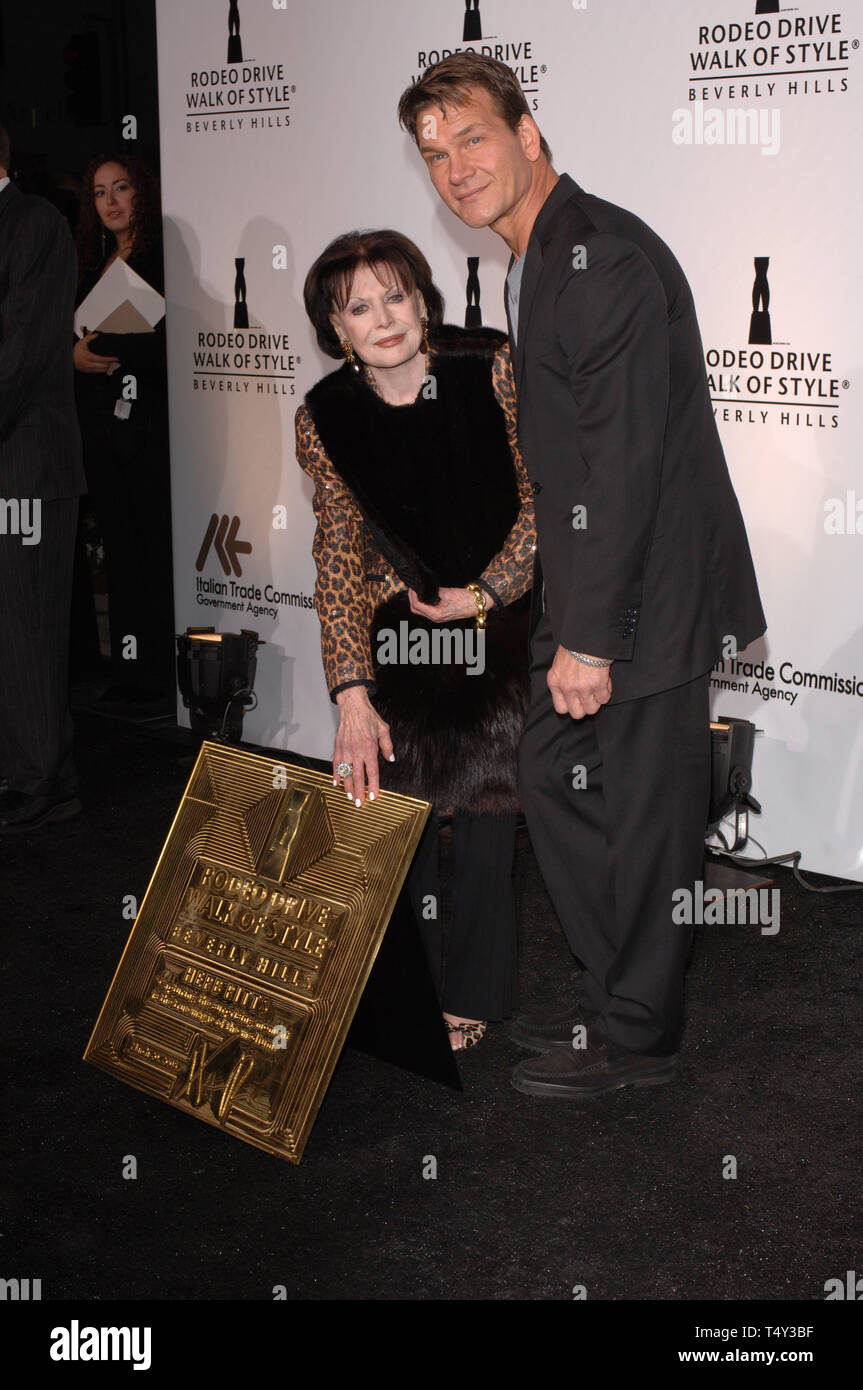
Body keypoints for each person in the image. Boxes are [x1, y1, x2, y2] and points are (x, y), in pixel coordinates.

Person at [398, 55, 766, 1094]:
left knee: (643, 813)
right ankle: (614, 996)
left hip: (646, 588)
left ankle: (637, 1036)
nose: (455, 167)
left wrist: (591, 636)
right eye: (433, 154)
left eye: (471, 138)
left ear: (527, 134)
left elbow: (618, 464)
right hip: (610, 578)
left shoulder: (592, 261)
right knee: (559, 773)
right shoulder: (544, 253)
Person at [295, 229, 535, 1049]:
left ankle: (468, 994)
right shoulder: (325, 416)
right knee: (385, 807)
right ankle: (399, 982)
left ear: (423, 299)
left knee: (484, 808)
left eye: (394, 295)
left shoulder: (488, 367)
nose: (383, 317)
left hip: (506, 621)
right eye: (358, 306)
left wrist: (488, 592)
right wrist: (351, 696)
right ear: (336, 329)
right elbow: (337, 557)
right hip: (403, 635)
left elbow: (545, 497)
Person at [0, 123, 86, 833]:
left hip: (24, 465)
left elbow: (21, 356)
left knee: (26, 627)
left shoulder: (34, 223)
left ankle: (44, 784)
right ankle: (19, 769)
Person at [73, 153, 174, 707]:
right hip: (102, 432)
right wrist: (75, 355)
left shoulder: (162, 263)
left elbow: (168, 342)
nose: (110, 201)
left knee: (150, 549)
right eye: (98, 192)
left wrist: (112, 347)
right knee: (119, 551)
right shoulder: (92, 264)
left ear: (143, 194)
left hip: (149, 430)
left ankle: (157, 678)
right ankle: (129, 673)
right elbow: (75, 331)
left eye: (121, 188)